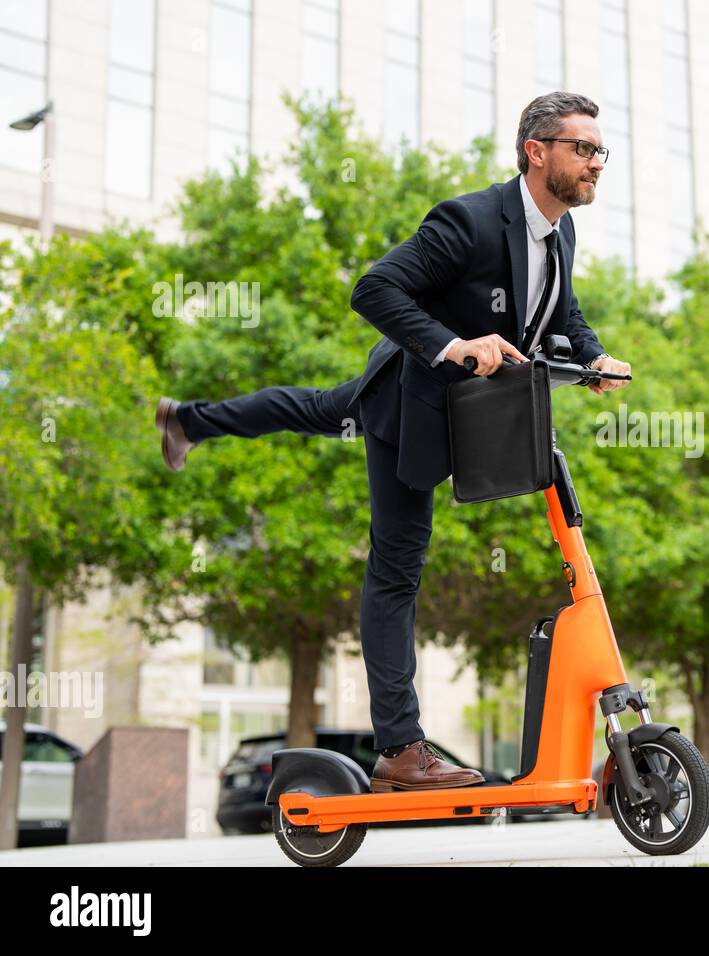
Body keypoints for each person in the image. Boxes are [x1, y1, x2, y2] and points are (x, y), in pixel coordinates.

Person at [154, 92, 631, 790]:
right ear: (538, 152)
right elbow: (373, 289)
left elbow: (564, 310)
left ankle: (188, 420)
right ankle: (401, 750)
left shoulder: (559, 234)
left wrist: (590, 357)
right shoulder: (468, 220)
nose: (596, 163)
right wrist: (455, 345)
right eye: (583, 149)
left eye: (600, 151)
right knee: (397, 570)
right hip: (409, 408)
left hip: (468, 414)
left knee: (310, 406)